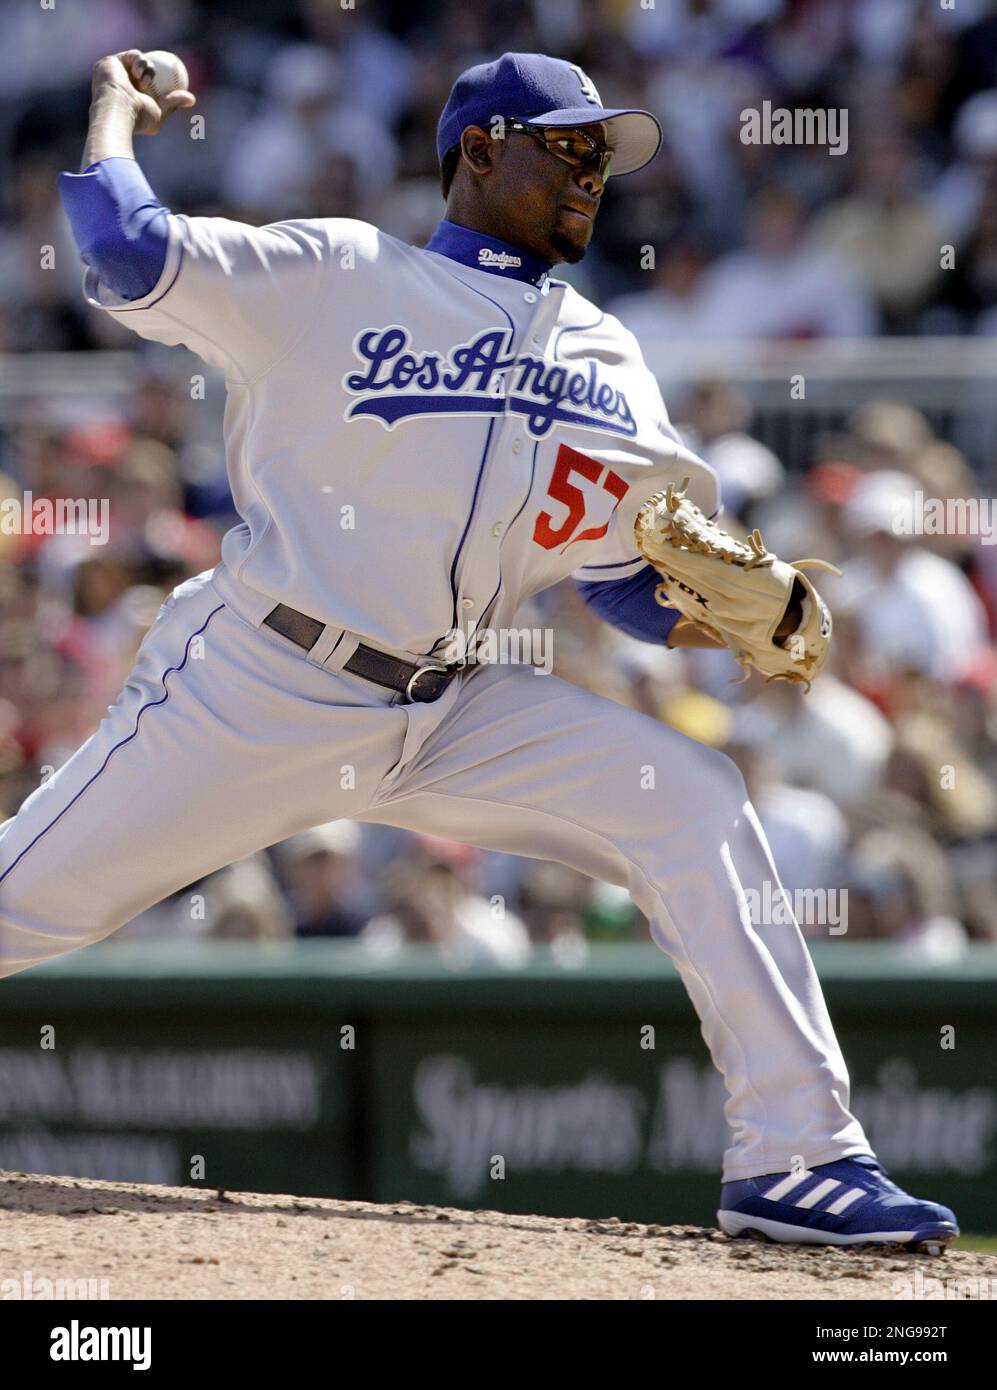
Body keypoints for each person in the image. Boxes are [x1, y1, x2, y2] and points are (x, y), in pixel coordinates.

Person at [0, 49, 957, 1250]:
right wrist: (111, 111)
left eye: (601, 156)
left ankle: (799, 1158)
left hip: (456, 704)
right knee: (21, 906)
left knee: (694, 799)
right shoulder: (341, 271)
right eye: (565, 146)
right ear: (475, 150)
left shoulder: (606, 355)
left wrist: (722, 614)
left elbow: (621, 581)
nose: (591, 174)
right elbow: (128, 250)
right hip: (261, 682)